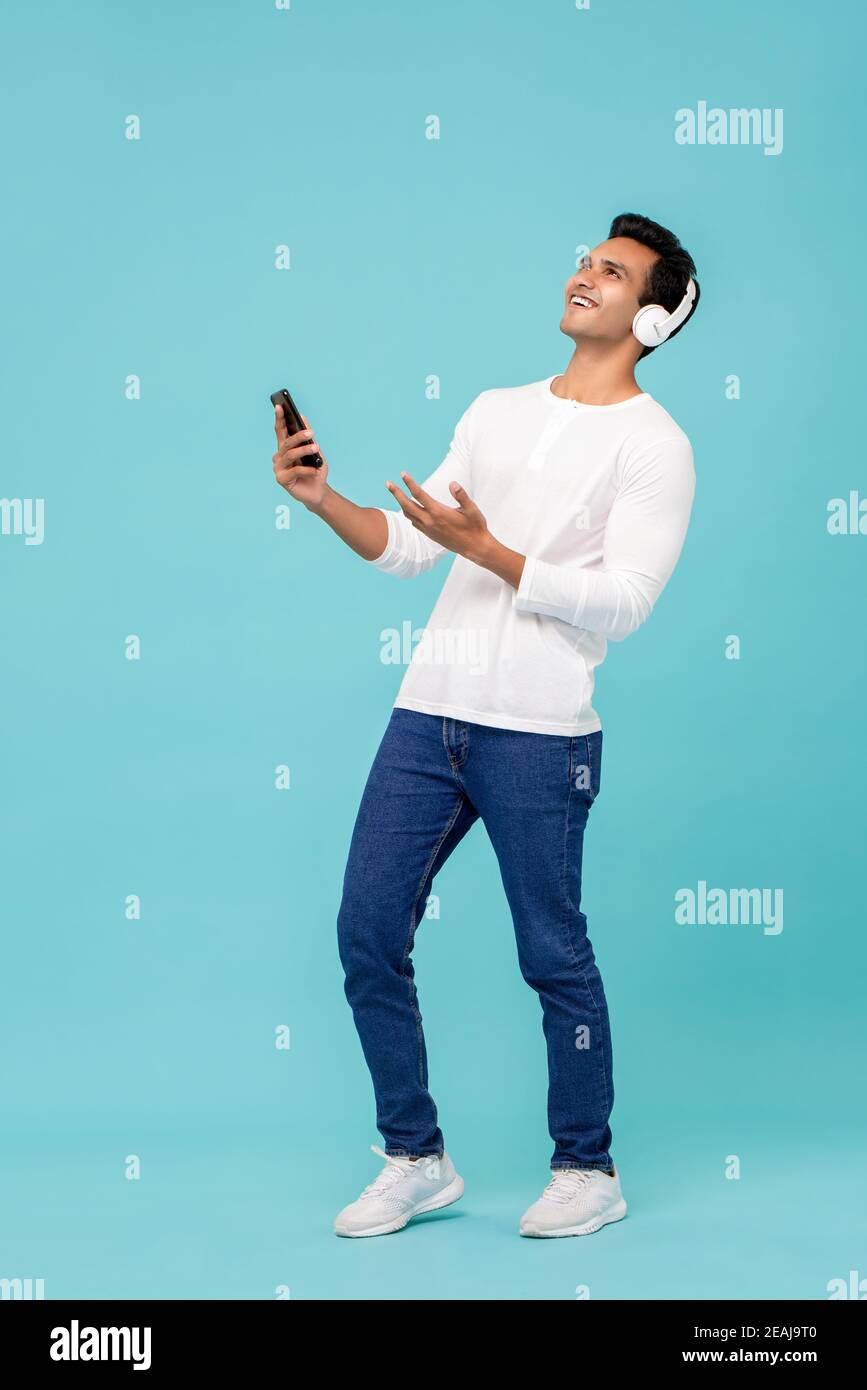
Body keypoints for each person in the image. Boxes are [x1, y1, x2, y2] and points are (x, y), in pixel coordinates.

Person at [272, 211, 700, 1239]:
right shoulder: (497, 410)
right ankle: (415, 1157)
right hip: (430, 712)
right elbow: (418, 550)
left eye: (613, 272)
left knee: (552, 951)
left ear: (651, 318)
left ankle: (587, 1168)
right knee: (367, 929)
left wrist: (498, 552)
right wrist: (324, 497)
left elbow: (627, 603)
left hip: (542, 731)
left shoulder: (657, 446)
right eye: (585, 260)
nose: (583, 276)